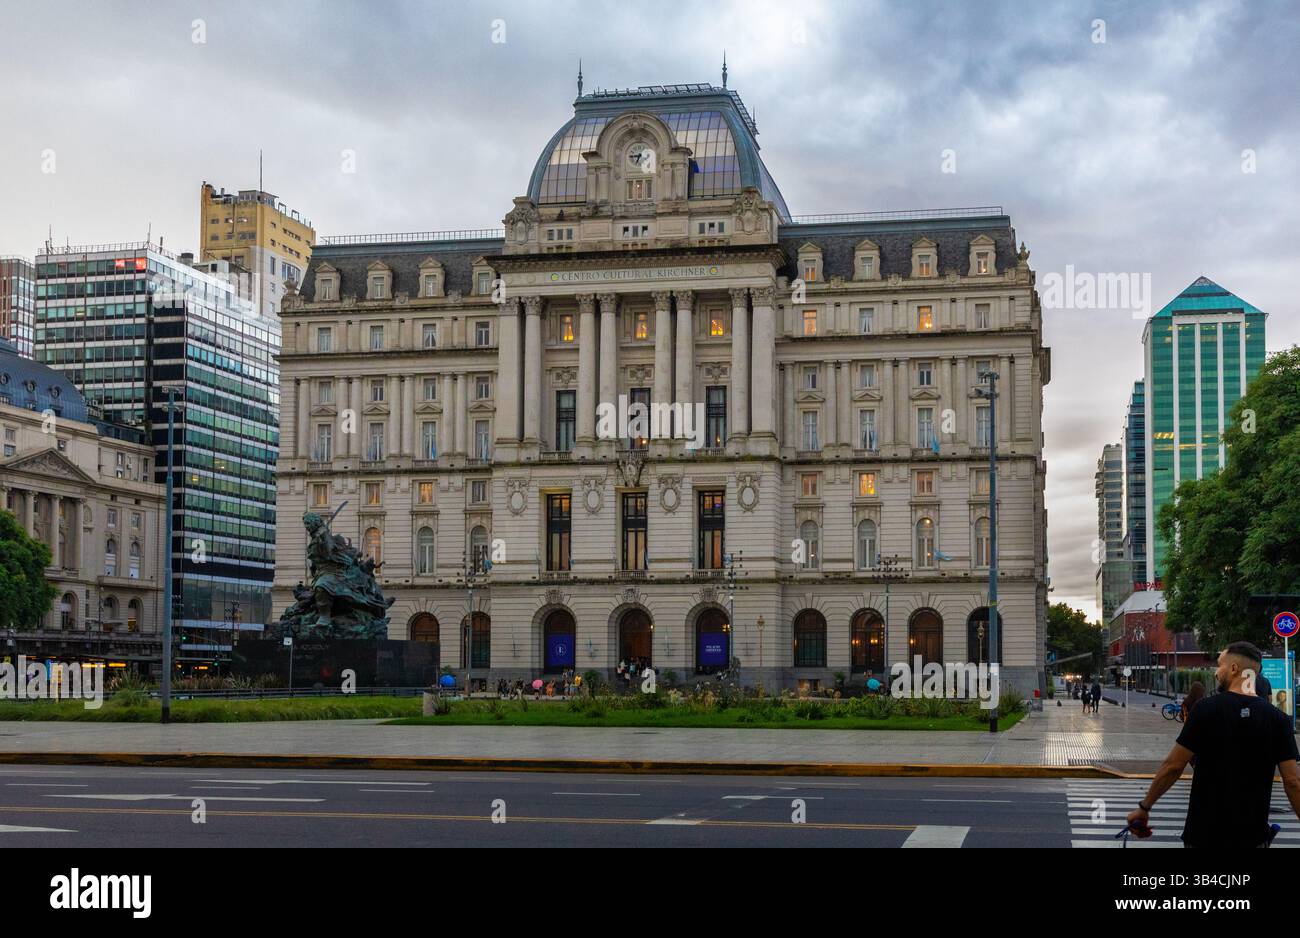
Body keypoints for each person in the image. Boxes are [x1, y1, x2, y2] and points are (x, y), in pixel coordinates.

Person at [1127, 642, 1300, 848]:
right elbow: (1292, 781)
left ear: (1234, 669)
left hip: (1204, 836)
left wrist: (1144, 807)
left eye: (1220, 665)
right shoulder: (1278, 719)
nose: (1216, 673)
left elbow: (1173, 766)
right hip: (1252, 837)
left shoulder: (1205, 710)